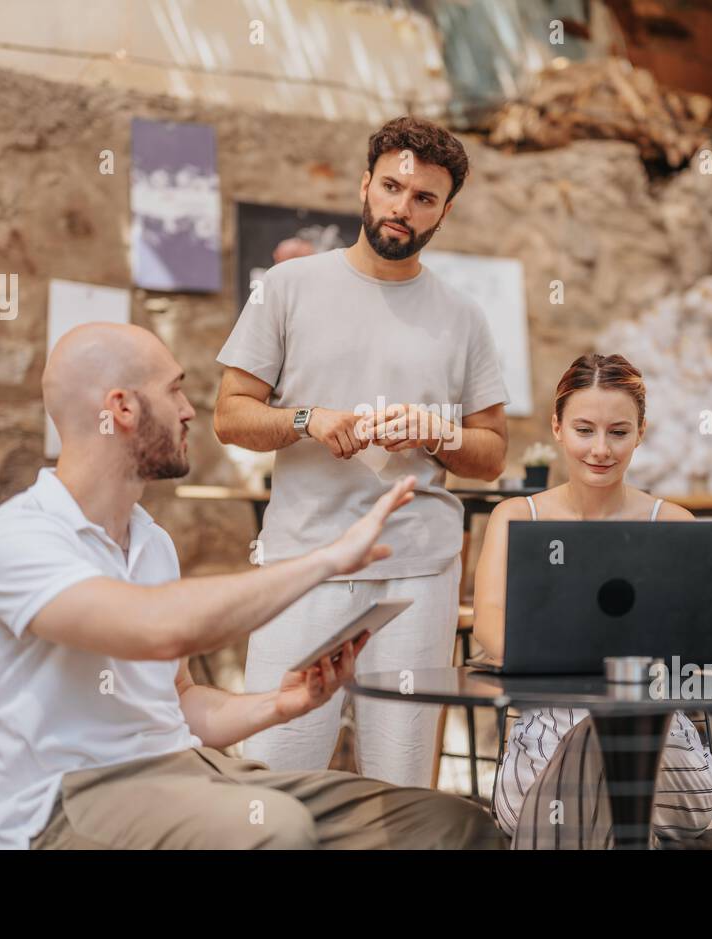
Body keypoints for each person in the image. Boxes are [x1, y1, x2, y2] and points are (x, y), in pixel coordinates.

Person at [0, 322, 505, 850]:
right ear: (121, 408)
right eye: (175, 392)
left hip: (193, 771)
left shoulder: (150, 541)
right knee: (272, 831)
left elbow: (181, 701)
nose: (190, 411)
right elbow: (154, 628)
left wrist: (279, 705)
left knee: (447, 824)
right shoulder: (15, 538)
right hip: (66, 803)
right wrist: (327, 561)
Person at [213, 116, 509, 787]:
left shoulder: (463, 316)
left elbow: (491, 452)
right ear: (364, 185)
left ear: (445, 210)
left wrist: (437, 433)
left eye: (423, 197)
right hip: (303, 565)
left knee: (402, 785)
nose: (402, 207)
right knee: (271, 775)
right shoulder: (287, 288)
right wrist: (306, 419)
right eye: (391, 186)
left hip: (417, 575)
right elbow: (229, 417)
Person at [471, 353, 712, 848]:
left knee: (590, 789)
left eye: (618, 432)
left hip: (660, 741)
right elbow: (488, 624)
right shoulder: (517, 517)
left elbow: (695, 647)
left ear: (641, 433)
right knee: (585, 776)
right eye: (585, 430)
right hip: (547, 736)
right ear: (558, 427)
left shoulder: (672, 525)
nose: (601, 450)